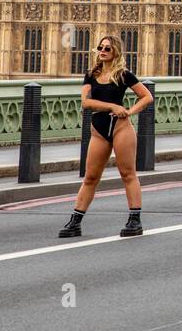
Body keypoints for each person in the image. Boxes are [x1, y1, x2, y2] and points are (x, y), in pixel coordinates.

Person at [59, 35, 153, 238]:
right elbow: (85, 102)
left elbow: (146, 96)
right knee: (90, 176)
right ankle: (75, 221)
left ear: (116, 52)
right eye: (100, 47)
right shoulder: (91, 74)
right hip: (99, 129)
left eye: (107, 48)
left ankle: (134, 220)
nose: (102, 51)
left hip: (121, 128)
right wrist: (112, 106)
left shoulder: (124, 75)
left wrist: (130, 111)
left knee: (128, 174)